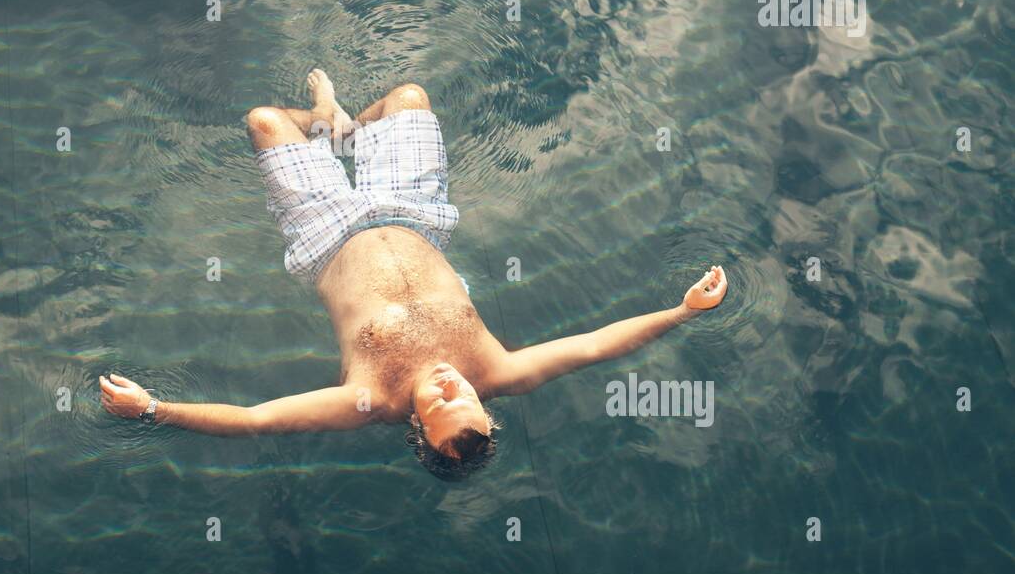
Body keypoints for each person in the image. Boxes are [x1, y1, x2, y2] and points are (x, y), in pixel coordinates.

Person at [102, 70, 728, 480]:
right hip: (414, 215)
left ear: (417, 428)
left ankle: (322, 120)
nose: (453, 387)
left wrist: (153, 408)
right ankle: (341, 127)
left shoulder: (367, 401)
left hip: (325, 235)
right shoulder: (497, 373)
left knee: (265, 119)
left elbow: (259, 419)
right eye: (470, 403)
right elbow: (595, 345)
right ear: (488, 411)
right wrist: (682, 313)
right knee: (408, 98)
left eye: (440, 404)